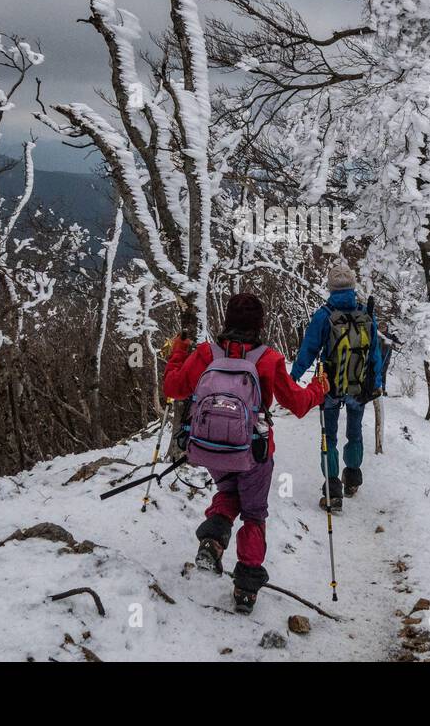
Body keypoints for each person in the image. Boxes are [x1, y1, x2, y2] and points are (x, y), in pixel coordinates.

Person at [163, 292, 328, 614]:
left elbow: (173, 388)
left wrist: (179, 352)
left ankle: (212, 539)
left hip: (210, 449)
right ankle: (245, 589)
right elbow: (297, 404)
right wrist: (320, 388)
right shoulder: (268, 359)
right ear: (260, 323)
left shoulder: (206, 354)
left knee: (228, 490)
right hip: (253, 451)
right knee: (253, 513)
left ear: (227, 319)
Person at [290, 262, 384, 512]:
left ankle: (332, 491)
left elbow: (308, 351)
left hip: (329, 386)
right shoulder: (365, 314)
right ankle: (352, 478)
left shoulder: (324, 314)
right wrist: (376, 384)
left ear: (331, 287)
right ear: (353, 286)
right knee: (354, 432)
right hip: (358, 386)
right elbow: (374, 353)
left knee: (328, 436)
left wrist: (291, 378)